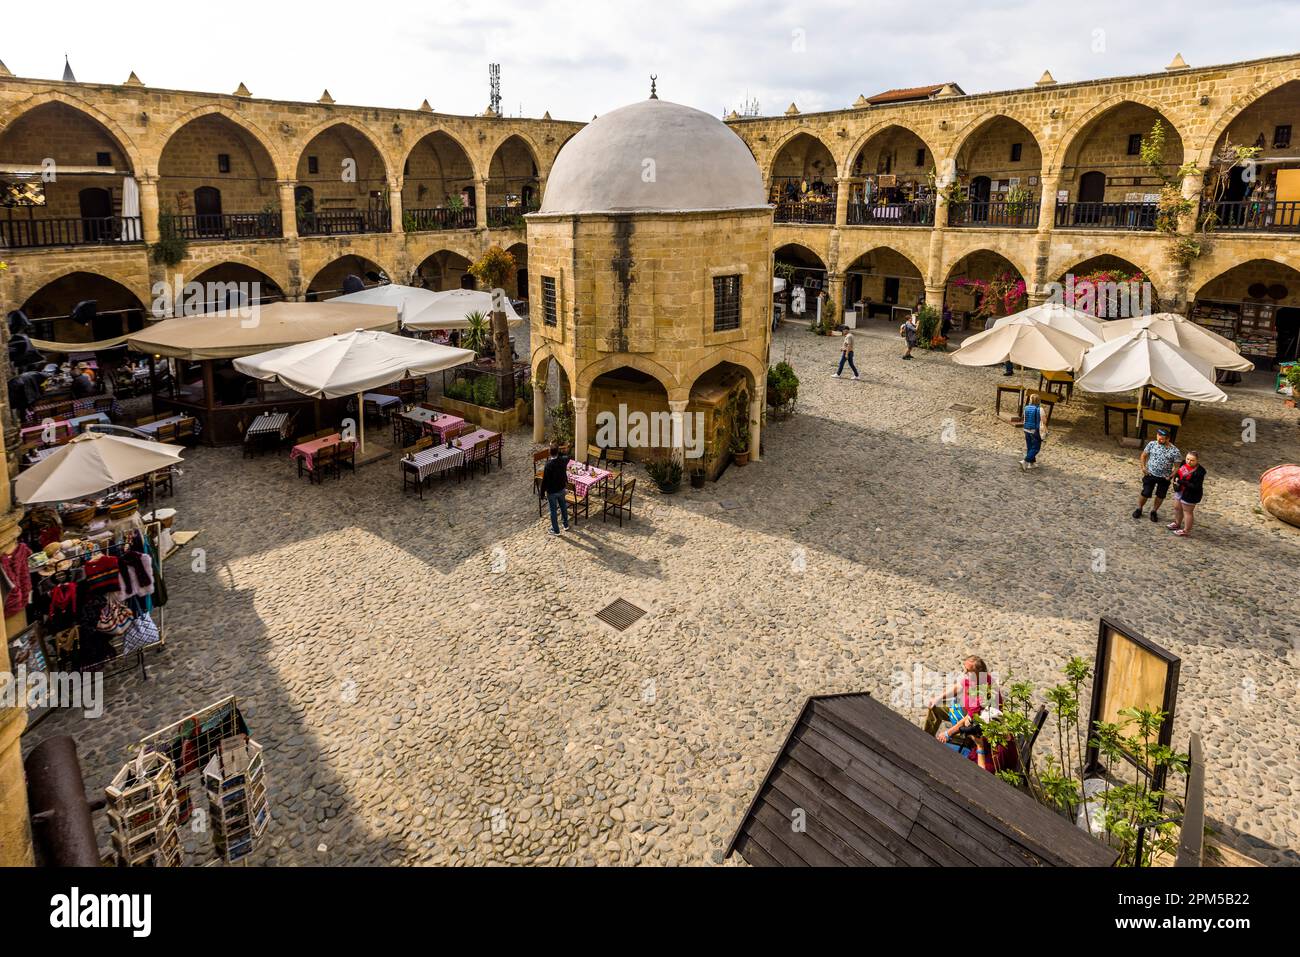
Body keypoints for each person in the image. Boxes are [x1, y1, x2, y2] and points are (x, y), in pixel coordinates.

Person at [924, 656, 1000, 741]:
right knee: (936, 707)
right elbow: (958, 687)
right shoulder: (973, 678)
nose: (965, 672)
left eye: (968, 671)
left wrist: (948, 733)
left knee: (956, 735)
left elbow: (968, 719)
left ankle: (965, 743)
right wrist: (938, 698)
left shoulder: (983, 692)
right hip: (963, 710)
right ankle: (926, 737)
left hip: (975, 724)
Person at [1133, 427, 1181, 523]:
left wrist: (1170, 476)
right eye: (1158, 437)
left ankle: (1154, 511)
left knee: (1160, 495)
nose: (1159, 440)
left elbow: (1177, 467)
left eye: (1162, 438)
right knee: (1145, 492)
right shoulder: (1152, 444)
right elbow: (1143, 455)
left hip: (1164, 477)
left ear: (1168, 439)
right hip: (1150, 474)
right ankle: (1139, 508)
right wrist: (1143, 467)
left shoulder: (1175, 451)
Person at [1168, 451, 1205, 538]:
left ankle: (1186, 530)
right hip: (1180, 490)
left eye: (1192, 460)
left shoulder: (1200, 472)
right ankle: (1177, 523)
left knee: (1187, 512)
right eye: (1187, 459)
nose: (1189, 461)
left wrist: (1181, 482)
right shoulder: (1183, 463)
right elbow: (1178, 473)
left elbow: (1195, 486)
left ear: (1197, 461)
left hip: (1191, 494)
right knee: (1177, 507)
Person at [540, 444, 572, 535]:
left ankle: (556, 530)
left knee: (553, 511)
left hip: (552, 491)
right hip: (561, 489)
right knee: (563, 507)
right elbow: (569, 457)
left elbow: (544, 481)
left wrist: (542, 493)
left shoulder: (548, 465)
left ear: (550, 453)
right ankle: (566, 525)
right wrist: (560, 452)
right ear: (558, 452)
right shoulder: (563, 460)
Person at [1020, 392, 1047, 471]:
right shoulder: (1040, 409)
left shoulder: (1026, 408)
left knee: (1030, 447)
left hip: (1026, 429)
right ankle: (1025, 461)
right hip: (1035, 430)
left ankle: (1032, 464)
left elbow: (1025, 419)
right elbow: (1044, 421)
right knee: (1035, 448)